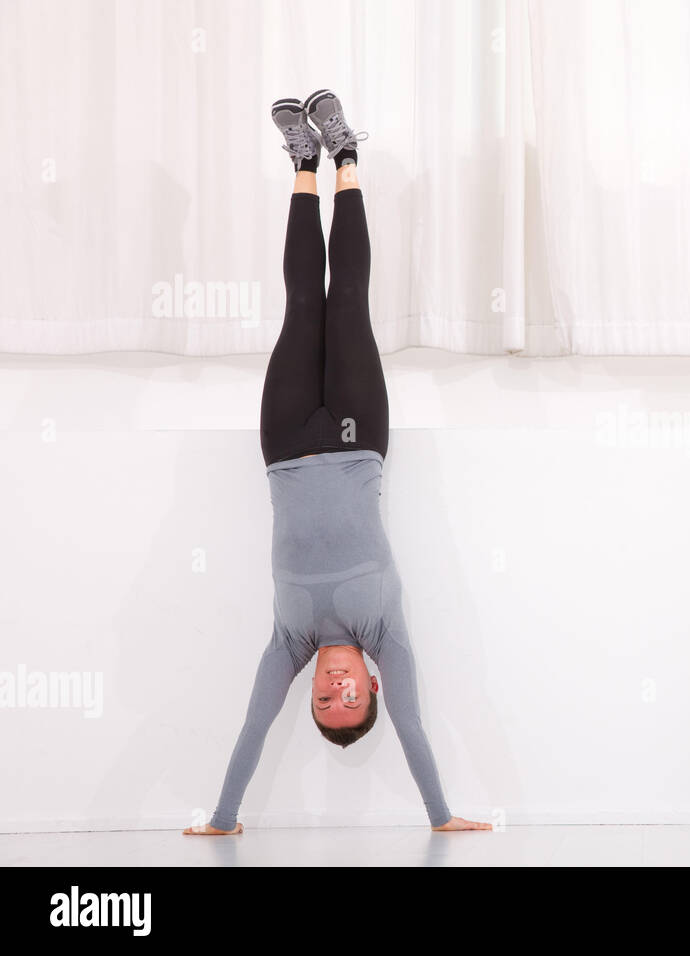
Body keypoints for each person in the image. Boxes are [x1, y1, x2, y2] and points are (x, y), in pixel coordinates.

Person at [185, 91, 489, 835]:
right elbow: (415, 731)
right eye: (349, 697)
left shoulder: (289, 645)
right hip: (357, 441)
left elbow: (253, 730)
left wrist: (223, 820)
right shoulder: (386, 633)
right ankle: (346, 153)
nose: (335, 688)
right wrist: (441, 818)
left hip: (285, 445)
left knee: (300, 304)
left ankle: (301, 162)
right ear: (373, 687)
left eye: (325, 700)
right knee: (346, 300)